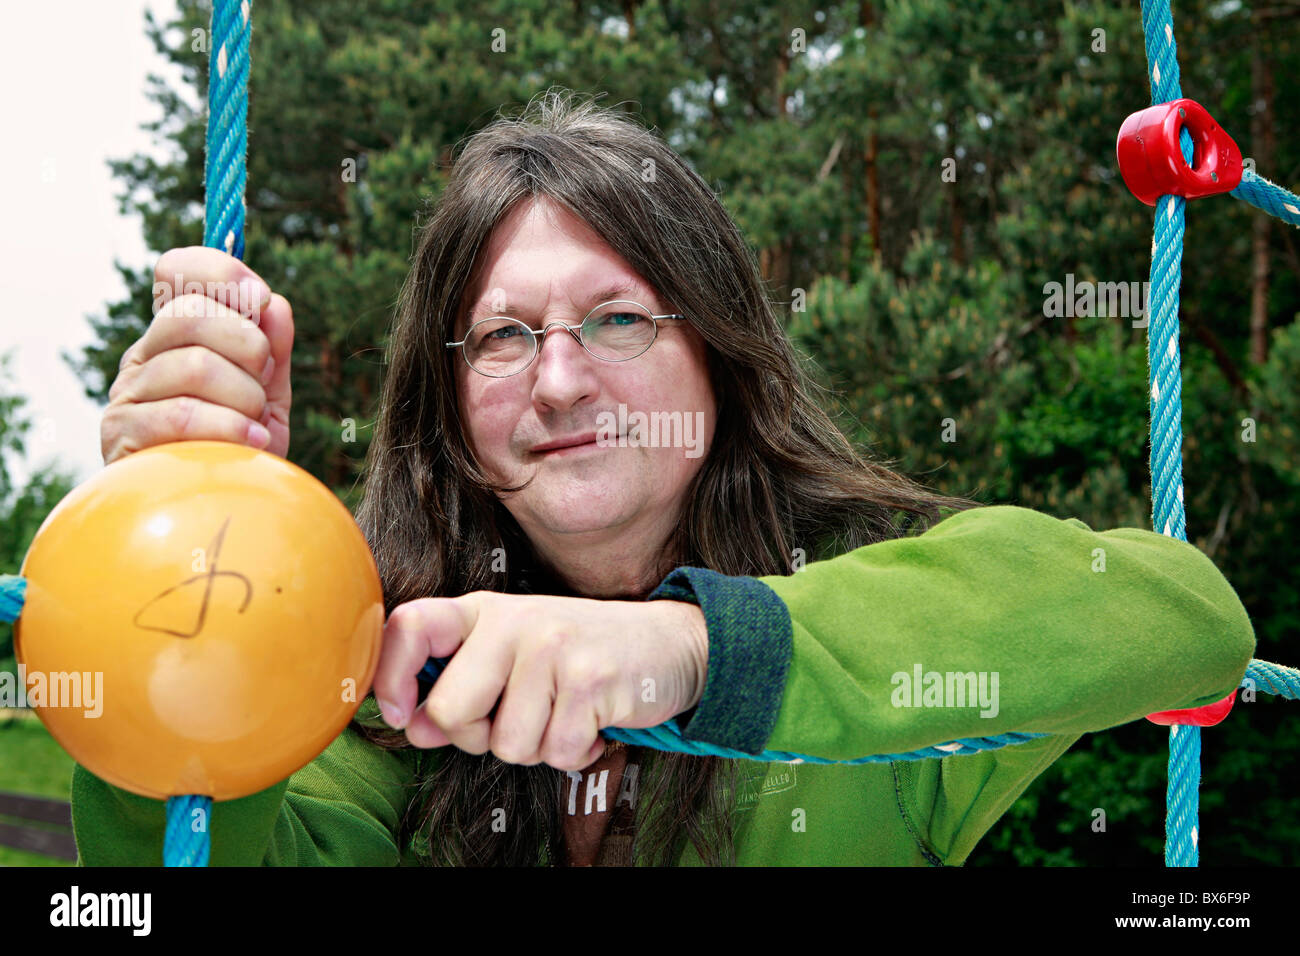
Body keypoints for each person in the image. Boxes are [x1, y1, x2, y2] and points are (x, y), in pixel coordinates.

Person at [76, 89, 1255, 867]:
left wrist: (696, 651)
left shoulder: (863, 600)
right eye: (499, 337)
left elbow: (1185, 614)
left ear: (720, 351)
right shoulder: (382, 670)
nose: (559, 381)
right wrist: (180, 552)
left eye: (618, 318)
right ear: (444, 405)